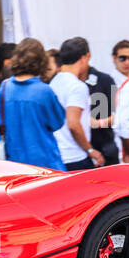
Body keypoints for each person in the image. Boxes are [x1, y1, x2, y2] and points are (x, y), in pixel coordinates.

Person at [0, 38, 66, 171]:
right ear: (41, 62)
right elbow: (57, 122)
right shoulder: (44, 91)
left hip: (14, 163)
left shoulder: (4, 87)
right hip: (45, 162)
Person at [48, 37, 106, 170]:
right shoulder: (77, 86)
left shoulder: (53, 82)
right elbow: (73, 124)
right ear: (84, 58)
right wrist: (90, 150)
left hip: (57, 154)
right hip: (75, 156)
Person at [86, 58, 119, 165]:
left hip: (106, 147)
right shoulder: (70, 82)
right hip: (83, 151)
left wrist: (99, 123)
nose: (127, 62)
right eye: (123, 58)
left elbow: (119, 116)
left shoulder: (106, 80)